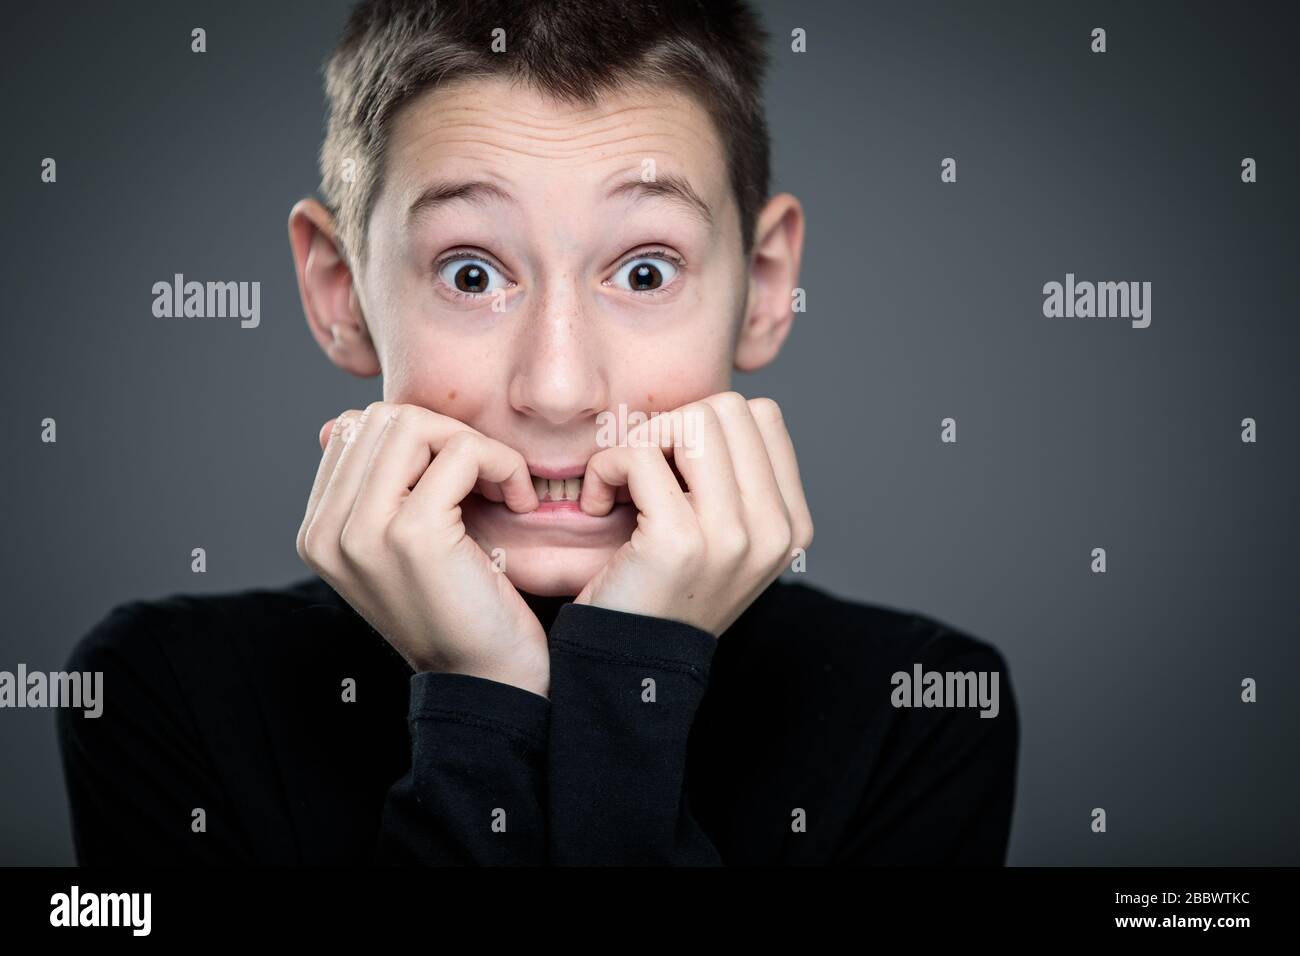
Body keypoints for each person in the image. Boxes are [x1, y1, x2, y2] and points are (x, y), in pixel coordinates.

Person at [58, 0, 1018, 866]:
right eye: (470, 274)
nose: (559, 390)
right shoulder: (163, 690)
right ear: (341, 294)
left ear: (765, 289)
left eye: (645, 272)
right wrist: (482, 700)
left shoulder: (920, 707)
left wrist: (627, 685)